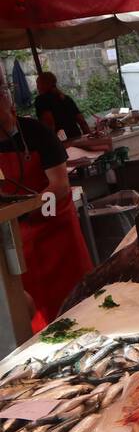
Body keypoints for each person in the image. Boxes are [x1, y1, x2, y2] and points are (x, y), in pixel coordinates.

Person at [0, 85, 94, 331]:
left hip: (55, 225)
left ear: (8, 102)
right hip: (18, 236)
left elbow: (60, 185)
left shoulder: (36, 132)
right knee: (37, 311)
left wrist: (33, 211)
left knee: (76, 302)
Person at [33, 72, 91, 142]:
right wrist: (90, 138)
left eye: (38, 84)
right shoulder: (66, 99)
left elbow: (50, 124)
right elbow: (82, 121)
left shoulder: (41, 100)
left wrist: (51, 144)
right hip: (77, 139)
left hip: (63, 143)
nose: (37, 87)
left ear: (44, 85)